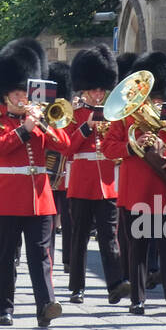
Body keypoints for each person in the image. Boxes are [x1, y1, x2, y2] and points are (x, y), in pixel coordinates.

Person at [0, 45, 67, 327]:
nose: (21, 98)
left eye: (24, 93)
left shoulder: (40, 120)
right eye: (16, 94)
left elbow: (66, 145)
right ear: (5, 94)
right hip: (9, 197)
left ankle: (46, 305)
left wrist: (43, 125)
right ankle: (3, 308)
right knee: (7, 256)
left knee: (41, 255)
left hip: (41, 197)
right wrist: (25, 128)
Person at [50, 45, 131, 306]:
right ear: (83, 90)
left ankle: (115, 284)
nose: (98, 94)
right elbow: (67, 147)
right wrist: (86, 127)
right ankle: (76, 288)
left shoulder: (114, 114)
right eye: (93, 90)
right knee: (78, 239)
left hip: (107, 184)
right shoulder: (74, 115)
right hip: (81, 184)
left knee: (110, 237)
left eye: (101, 89)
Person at [104, 52, 166, 315]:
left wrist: (160, 143)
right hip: (134, 191)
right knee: (137, 248)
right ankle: (137, 298)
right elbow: (108, 148)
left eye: (157, 97)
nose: (154, 102)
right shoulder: (126, 117)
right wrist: (131, 146)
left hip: (161, 192)